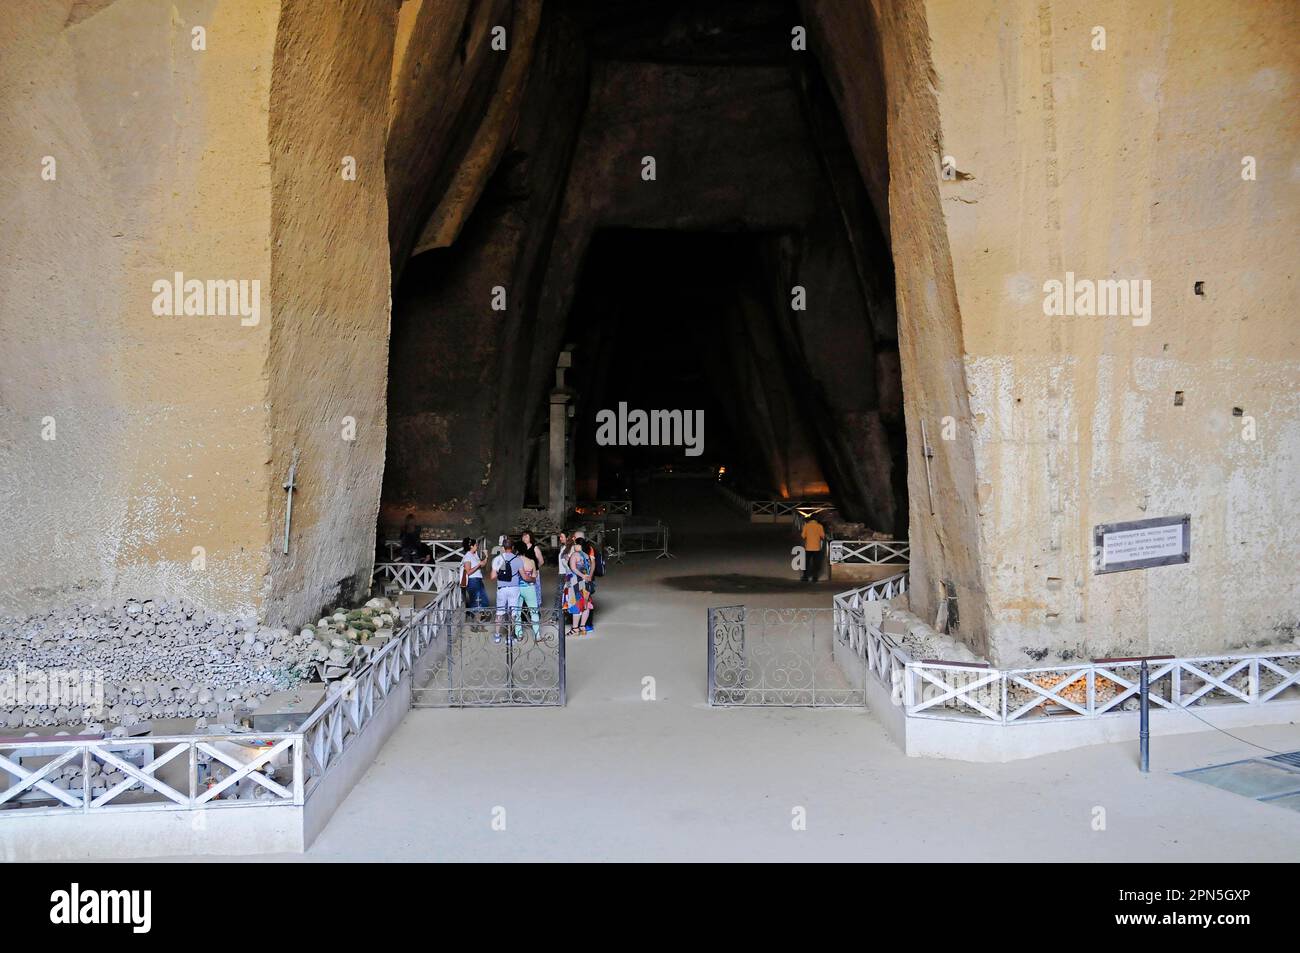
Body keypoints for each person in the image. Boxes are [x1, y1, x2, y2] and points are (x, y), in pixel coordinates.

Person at [490, 536, 523, 643]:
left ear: (503, 548)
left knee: (500, 612)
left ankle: (497, 636)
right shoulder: (518, 559)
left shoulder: (498, 559)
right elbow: (523, 575)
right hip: (514, 588)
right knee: (513, 613)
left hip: (502, 588)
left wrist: (501, 571)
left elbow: (492, 576)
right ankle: (510, 636)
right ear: (512, 547)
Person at [563, 536, 594, 637]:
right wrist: (587, 576)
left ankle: (575, 628)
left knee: (576, 604)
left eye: (575, 544)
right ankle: (583, 627)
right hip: (586, 583)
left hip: (576, 583)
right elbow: (588, 568)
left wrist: (582, 576)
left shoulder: (575, 555)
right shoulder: (586, 555)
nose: (574, 546)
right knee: (586, 604)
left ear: (579, 545)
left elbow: (573, 568)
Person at [514, 538, 541, 642]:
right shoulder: (531, 561)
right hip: (530, 588)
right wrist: (531, 579)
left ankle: (519, 634)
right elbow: (534, 576)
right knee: (534, 611)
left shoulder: (514, 562)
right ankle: (537, 635)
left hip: (517, 589)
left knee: (517, 612)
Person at [459, 537, 489, 621]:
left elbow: (482, 564)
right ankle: (476, 624)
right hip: (473, 581)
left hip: (478, 580)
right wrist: (478, 565)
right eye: (476, 544)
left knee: (484, 601)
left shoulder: (474, 555)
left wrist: (486, 556)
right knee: (477, 603)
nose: (477, 546)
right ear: (471, 546)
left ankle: (478, 622)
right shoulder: (467, 556)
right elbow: (468, 572)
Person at [518, 530, 546, 620]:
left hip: (533, 574)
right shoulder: (520, 549)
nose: (524, 538)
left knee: (534, 594)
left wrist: (535, 569)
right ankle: (523, 615)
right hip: (522, 574)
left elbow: (541, 561)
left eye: (526, 536)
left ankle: (534, 614)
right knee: (522, 594)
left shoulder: (535, 548)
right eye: (523, 536)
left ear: (531, 538)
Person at [800, 513, 826, 583]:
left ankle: (805, 577)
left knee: (806, 563)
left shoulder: (806, 525)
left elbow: (803, 536)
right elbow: (823, 536)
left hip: (808, 547)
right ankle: (815, 578)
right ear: (817, 519)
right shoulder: (819, 526)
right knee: (816, 563)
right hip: (817, 548)